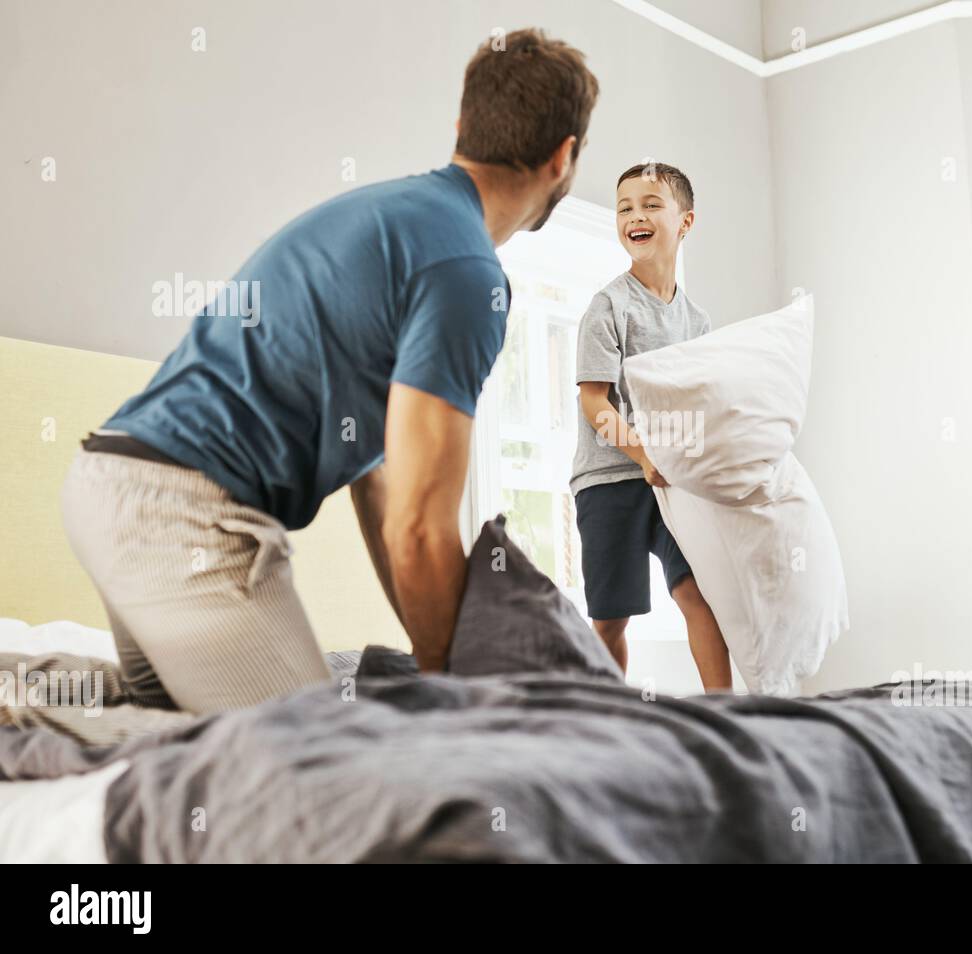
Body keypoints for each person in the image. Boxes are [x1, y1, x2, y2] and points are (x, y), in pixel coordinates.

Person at [61, 29, 599, 714]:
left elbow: (381, 493)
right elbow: (420, 527)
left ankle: (30, 691)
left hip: (110, 484)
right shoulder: (467, 273)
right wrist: (461, 711)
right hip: (184, 514)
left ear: (462, 126)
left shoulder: (384, 217)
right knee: (320, 762)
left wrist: (438, 663)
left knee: (164, 733)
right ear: (565, 157)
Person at [571, 162, 732, 691]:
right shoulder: (609, 307)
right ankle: (607, 714)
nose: (634, 216)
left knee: (696, 593)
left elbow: (700, 402)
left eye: (650, 205)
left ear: (685, 221)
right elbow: (594, 402)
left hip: (673, 481)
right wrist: (641, 455)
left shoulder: (697, 321)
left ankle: (724, 709)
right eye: (624, 208)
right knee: (612, 616)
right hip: (610, 480)